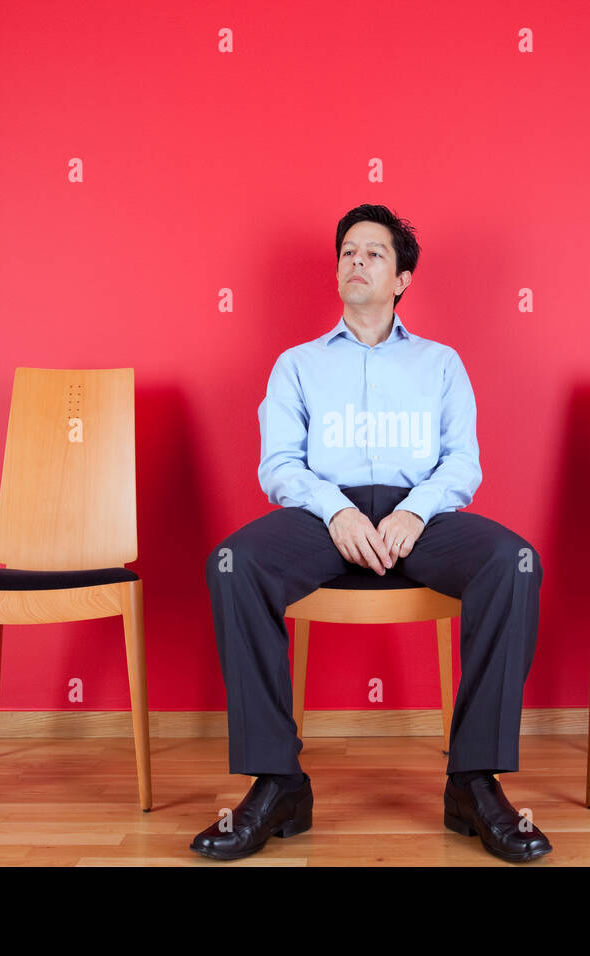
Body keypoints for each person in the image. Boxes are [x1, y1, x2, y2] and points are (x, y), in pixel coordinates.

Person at [191, 203, 550, 863]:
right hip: (325, 518)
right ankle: (278, 783)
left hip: (424, 517)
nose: (357, 262)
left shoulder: (441, 365)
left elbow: (462, 463)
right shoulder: (296, 365)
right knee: (232, 564)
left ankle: (473, 781)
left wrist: (416, 511)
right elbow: (280, 466)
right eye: (348, 252)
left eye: (374, 253)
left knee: (516, 562)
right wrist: (337, 511)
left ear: (402, 279)